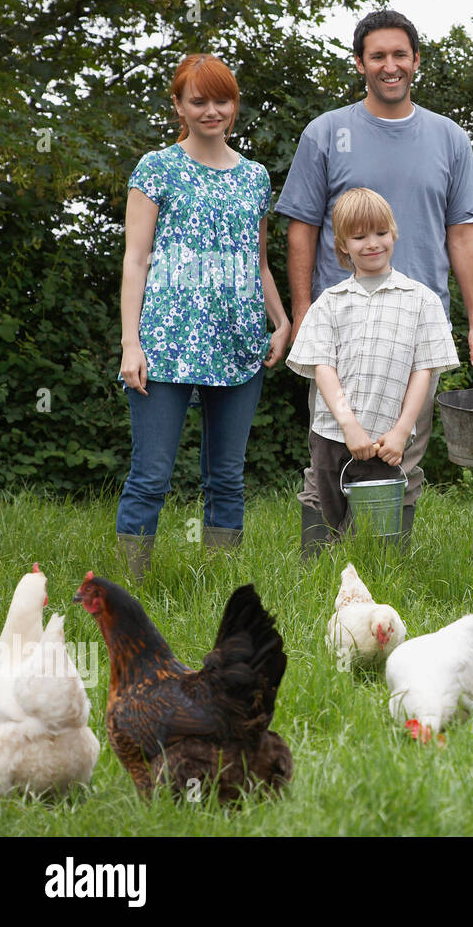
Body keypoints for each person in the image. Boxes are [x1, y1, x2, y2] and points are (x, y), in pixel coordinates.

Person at [276, 9, 473, 553]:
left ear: (416, 61)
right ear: (360, 64)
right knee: (330, 443)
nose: (390, 66)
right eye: (378, 56)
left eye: (400, 55)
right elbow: (300, 229)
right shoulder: (326, 133)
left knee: (404, 448)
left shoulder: (449, 138)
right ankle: (322, 566)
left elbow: (464, 235)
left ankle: (386, 568)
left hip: (417, 328)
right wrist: (303, 311)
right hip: (341, 321)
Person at [116, 53, 291, 582]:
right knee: (150, 476)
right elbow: (136, 259)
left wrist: (280, 321)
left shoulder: (255, 177)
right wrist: (131, 343)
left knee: (228, 479)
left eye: (223, 99)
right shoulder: (156, 168)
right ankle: (129, 594)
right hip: (165, 342)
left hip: (239, 342)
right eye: (199, 100)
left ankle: (220, 592)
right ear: (179, 105)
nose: (212, 110)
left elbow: (256, 261)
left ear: (234, 106)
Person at [286, 188, 458, 551]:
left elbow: (423, 374)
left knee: (382, 512)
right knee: (322, 498)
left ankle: (380, 579)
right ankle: (317, 582)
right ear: (342, 244)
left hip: (386, 439)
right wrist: (348, 425)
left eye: (380, 233)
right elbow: (323, 367)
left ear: (393, 232)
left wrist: (401, 431)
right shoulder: (330, 303)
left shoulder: (422, 301)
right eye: (359, 236)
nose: (372, 243)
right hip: (333, 432)